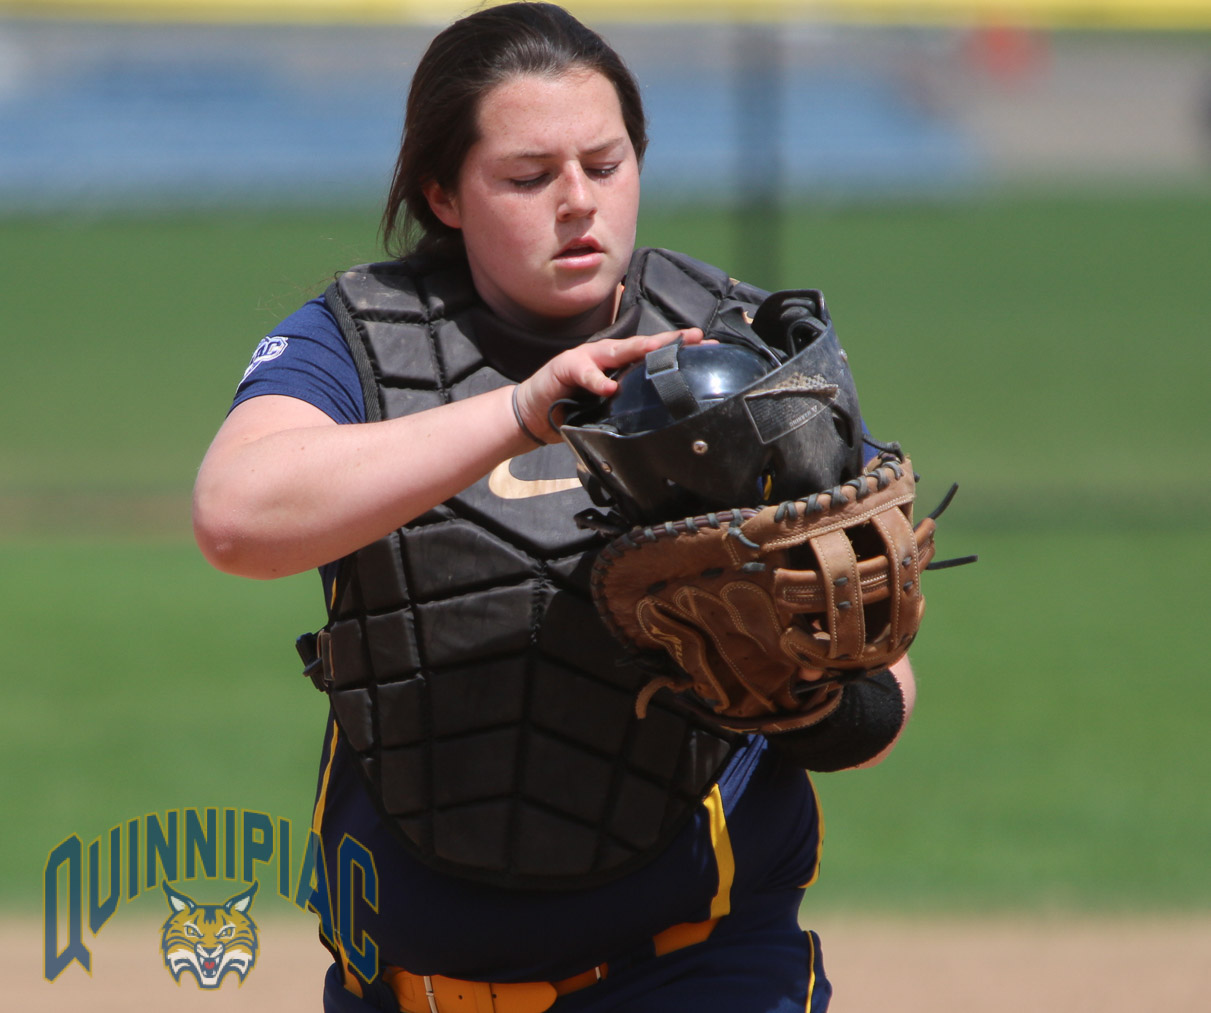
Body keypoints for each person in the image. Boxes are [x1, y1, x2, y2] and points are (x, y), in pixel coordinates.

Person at [193, 5, 916, 1011]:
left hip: (695, 971)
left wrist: (802, 692)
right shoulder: (359, 341)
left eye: (605, 164)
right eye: (528, 177)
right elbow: (236, 517)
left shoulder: (736, 362)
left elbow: (882, 707)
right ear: (443, 192)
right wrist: (520, 411)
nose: (577, 203)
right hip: (407, 987)